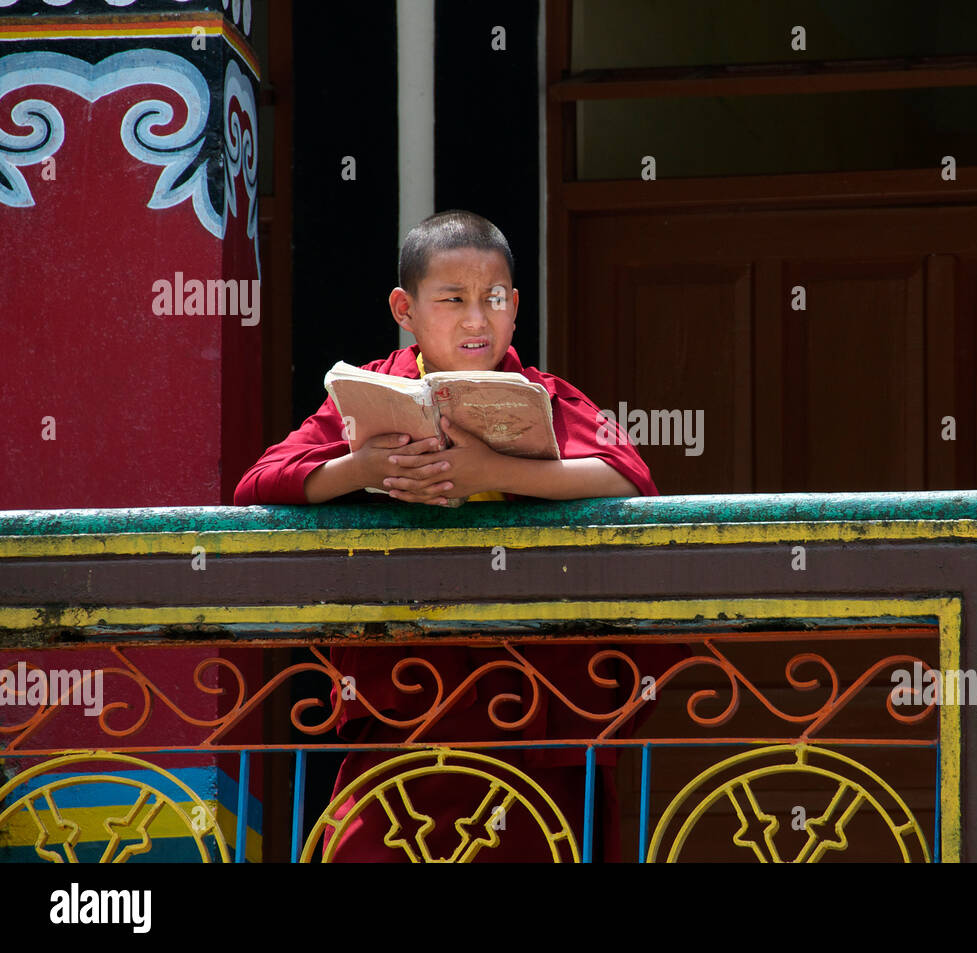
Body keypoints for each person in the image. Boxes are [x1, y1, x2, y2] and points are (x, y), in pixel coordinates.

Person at [234, 210, 660, 861]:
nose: (475, 320)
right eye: (452, 299)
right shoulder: (371, 391)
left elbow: (628, 479)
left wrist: (492, 470)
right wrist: (362, 466)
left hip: (527, 702)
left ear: (515, 307)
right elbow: (259, 483)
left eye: (492, 299)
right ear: (405, 307)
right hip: (409, 698)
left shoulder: (541, 393)